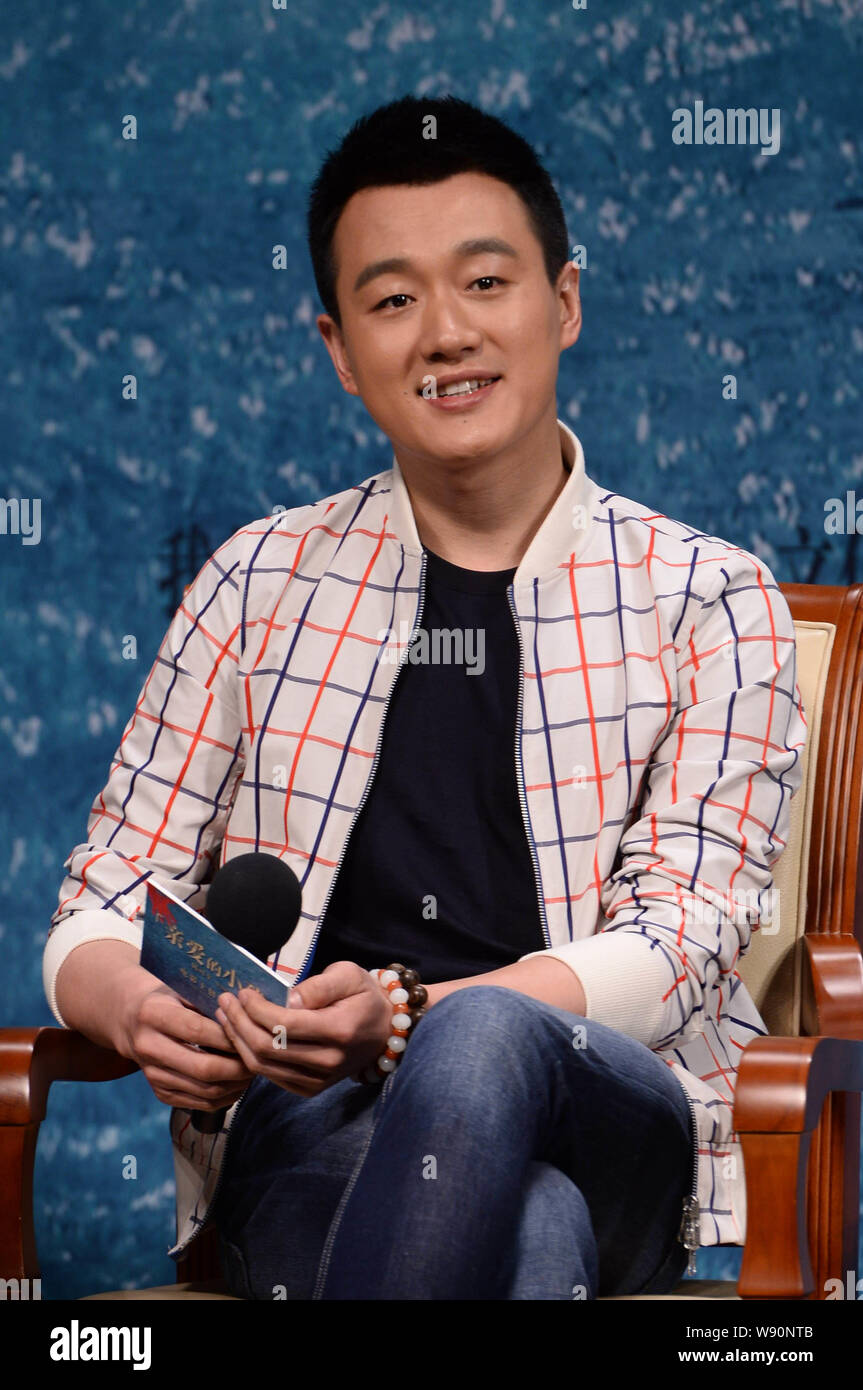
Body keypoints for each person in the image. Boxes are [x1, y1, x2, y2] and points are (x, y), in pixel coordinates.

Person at [44, 94, 807, 1300]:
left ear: (562, 300)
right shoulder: (256, 582)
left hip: (605, 1111)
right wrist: (139, 1007)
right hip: (314, 1125)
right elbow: (99, 899)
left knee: (484, 1037)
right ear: (340, 350)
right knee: (529, 1235)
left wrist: (400, 1016)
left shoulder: (707, 599)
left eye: (484, 282)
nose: (445, 333)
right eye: (393, 300)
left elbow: (677, 943)